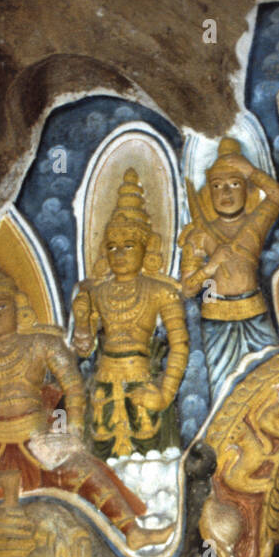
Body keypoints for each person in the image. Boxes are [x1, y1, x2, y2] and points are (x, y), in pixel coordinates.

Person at [0, 253, 171, 548]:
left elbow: (73, 385)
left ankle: (132, 531)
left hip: (36, 439)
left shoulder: (41, 344)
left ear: (16, 307)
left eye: (2, 306)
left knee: (84, 470)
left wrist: (72, 430)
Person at [71, 167, 189, 459]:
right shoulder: (96, 291)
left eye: (128, 245)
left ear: (146, 246)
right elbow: (85, 349)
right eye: (112, 247)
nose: (119, 254)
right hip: (102, 390)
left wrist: (164, 393)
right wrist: (83, 322)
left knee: (152, 468)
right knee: (103, 471)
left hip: (145, 386)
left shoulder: (161, 291)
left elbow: (180, 345)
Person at [178, 138, 279, 400]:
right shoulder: (200, 235)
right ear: (208, 193)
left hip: (255, 312)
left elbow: (278, 195)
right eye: (217, 186)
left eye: (234, 184)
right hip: (217, 318)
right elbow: (187, 287)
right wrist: (211, 266)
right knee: (224, 391)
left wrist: (250, 170)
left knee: (272, 384)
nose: (225, 193)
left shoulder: (254, 224)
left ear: (247, 190)